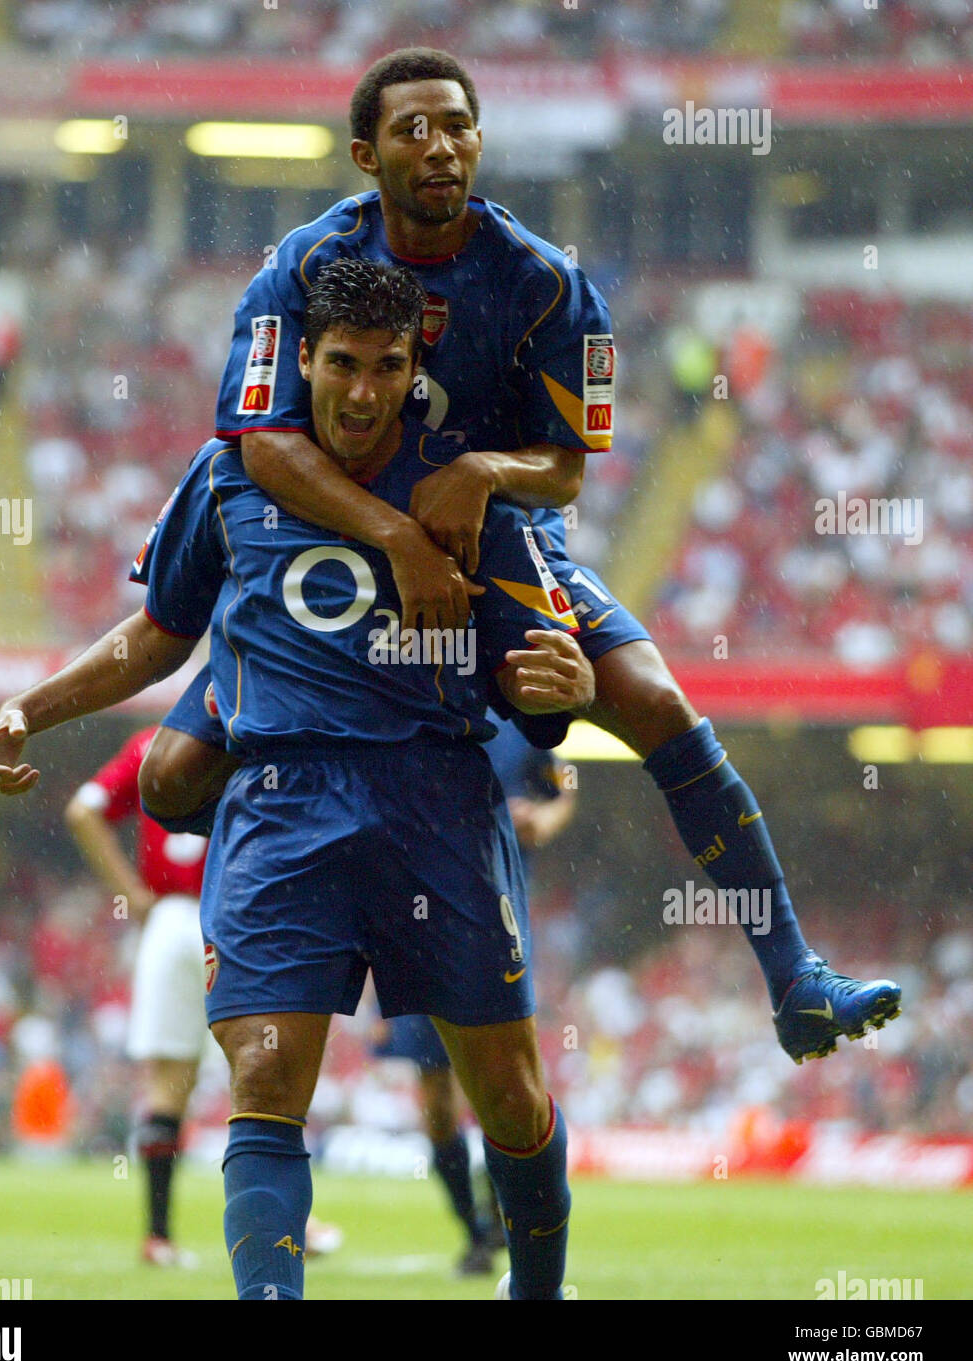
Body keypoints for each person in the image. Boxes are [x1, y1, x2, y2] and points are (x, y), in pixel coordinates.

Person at [143, 45, 901, 1067]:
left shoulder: (541, 282)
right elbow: (258, 440)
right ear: (367, 153)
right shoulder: (301, 264)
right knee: (170, 777)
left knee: (659, 704)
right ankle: (289, 847)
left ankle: (794, 975)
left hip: (490, 547)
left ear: (478, 140)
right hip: (318, 559)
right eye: (412, 128)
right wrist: (396, 535)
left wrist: (481, 473)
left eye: (456, 124)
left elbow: (565, 469)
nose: (439, 145)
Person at [0, 259, 598, 1300]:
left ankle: (534, 1289)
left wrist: (566, 679)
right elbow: (154, 636)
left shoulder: (467, 491)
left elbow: (543, 674)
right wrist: (27, 708)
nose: (361, 391)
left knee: (507, 1091)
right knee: (264, 1080)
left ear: (414, 370)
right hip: (278, 803)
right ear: (299, 359)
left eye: (386, 367)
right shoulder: (229, 476)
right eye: (341, 364)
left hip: (436, 801)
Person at [372, 720, 578, 1278]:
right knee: (434, 1096)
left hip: (490, 917)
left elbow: (565, 786)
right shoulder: (405, 712)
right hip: (407, 921)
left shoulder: (520, 725)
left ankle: (507, 1221)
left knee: (501, 1086)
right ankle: (476, 1228)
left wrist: (544, 818)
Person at [65, 729, 210, 1268]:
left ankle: (158, 1237)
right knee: (260, 1078)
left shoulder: (152, 742)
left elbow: (83, 810)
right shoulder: (257, 725)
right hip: (235, 917)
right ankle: (287, 1226)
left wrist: (131, 895)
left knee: (167, 1087)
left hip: (168, 921)